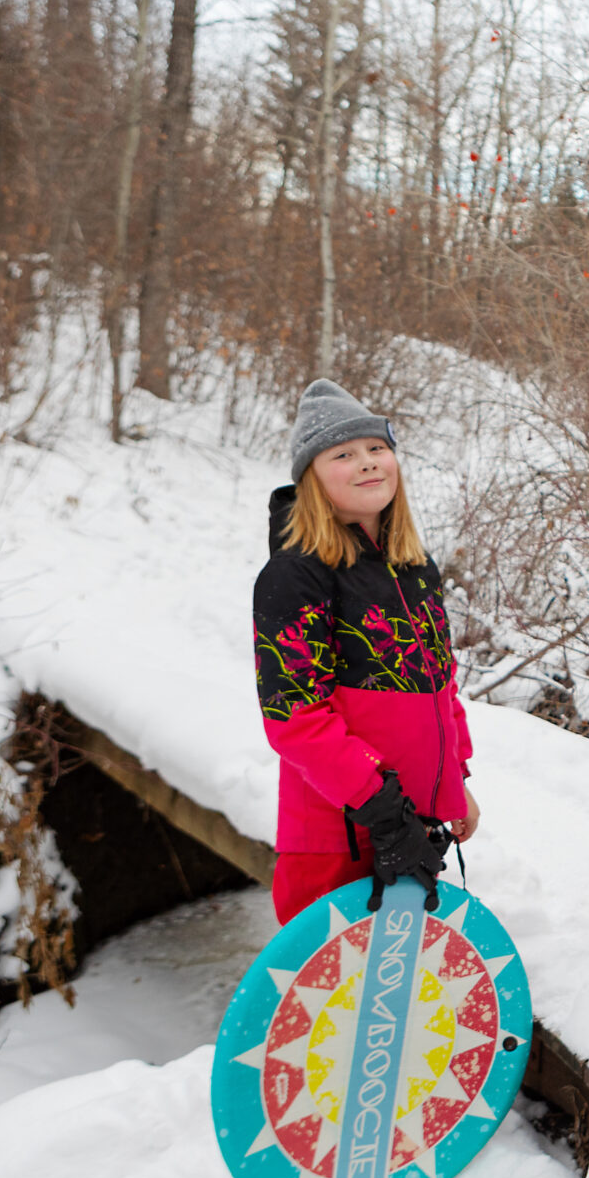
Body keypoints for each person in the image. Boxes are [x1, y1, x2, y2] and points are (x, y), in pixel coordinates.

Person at [253, 379, 479, 924]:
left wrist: (458, 782)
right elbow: (295, 718)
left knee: (399, 997)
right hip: (338, 840)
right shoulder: (295, 576)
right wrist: (384, 813)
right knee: (328, 1002)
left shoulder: (415, 567)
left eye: (377, 448)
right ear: (312, 477)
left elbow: (439, 687)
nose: (368, 463)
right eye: (343, 454)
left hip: (415, 827)